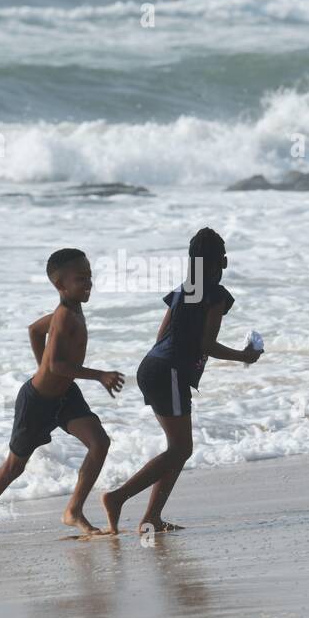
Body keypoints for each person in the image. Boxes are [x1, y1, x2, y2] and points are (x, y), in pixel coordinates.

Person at [102, 228, 262, 534]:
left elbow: (162, 335)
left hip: (152, 366)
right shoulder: (216, 295)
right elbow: (207, 346)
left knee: (177, 448)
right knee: (180, 449)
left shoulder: (184, 289)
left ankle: (152, 517)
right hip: (169, 371)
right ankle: (117, 497)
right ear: (223, 261)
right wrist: (245, 356)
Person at [0, 248, 124, 549]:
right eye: (80, 279)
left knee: (99, 442)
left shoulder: (72, 308)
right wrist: (99, 374)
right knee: (14, 467)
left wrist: (44, 367)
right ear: (60, 285)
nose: (88, 283)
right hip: (37, 401)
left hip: (65, 396)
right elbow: (57, 366)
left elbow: (34, 331)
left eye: (89, 276)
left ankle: (73, 510)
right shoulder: (64, 316)